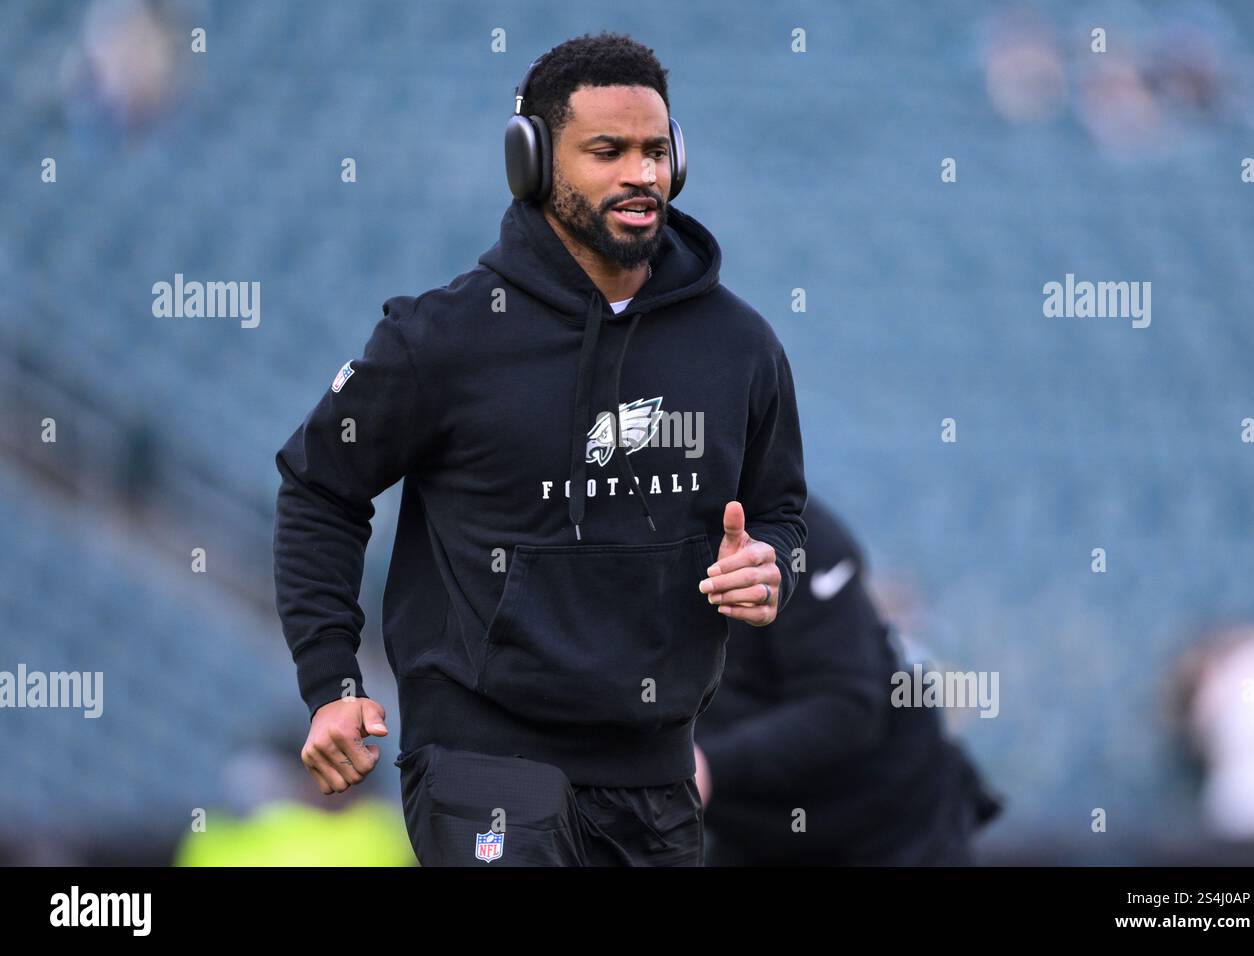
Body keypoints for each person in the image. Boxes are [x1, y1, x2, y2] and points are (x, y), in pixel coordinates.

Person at [272, 32, 807, 866]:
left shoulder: (741, 347)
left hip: (655, 771)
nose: (642, 174)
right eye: (608, 151)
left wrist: (770, 564)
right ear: (531, 162)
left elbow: (780, 514)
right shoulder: (443, 337)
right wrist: (331, 682)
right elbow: (318, 488)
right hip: (483, 756)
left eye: (656, 151)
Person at [693, 494, 1003, 865]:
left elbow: (847, 707)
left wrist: (708, 765)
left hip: (891, 826)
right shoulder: (618, 542)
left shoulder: (788, 532)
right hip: (754, 834)